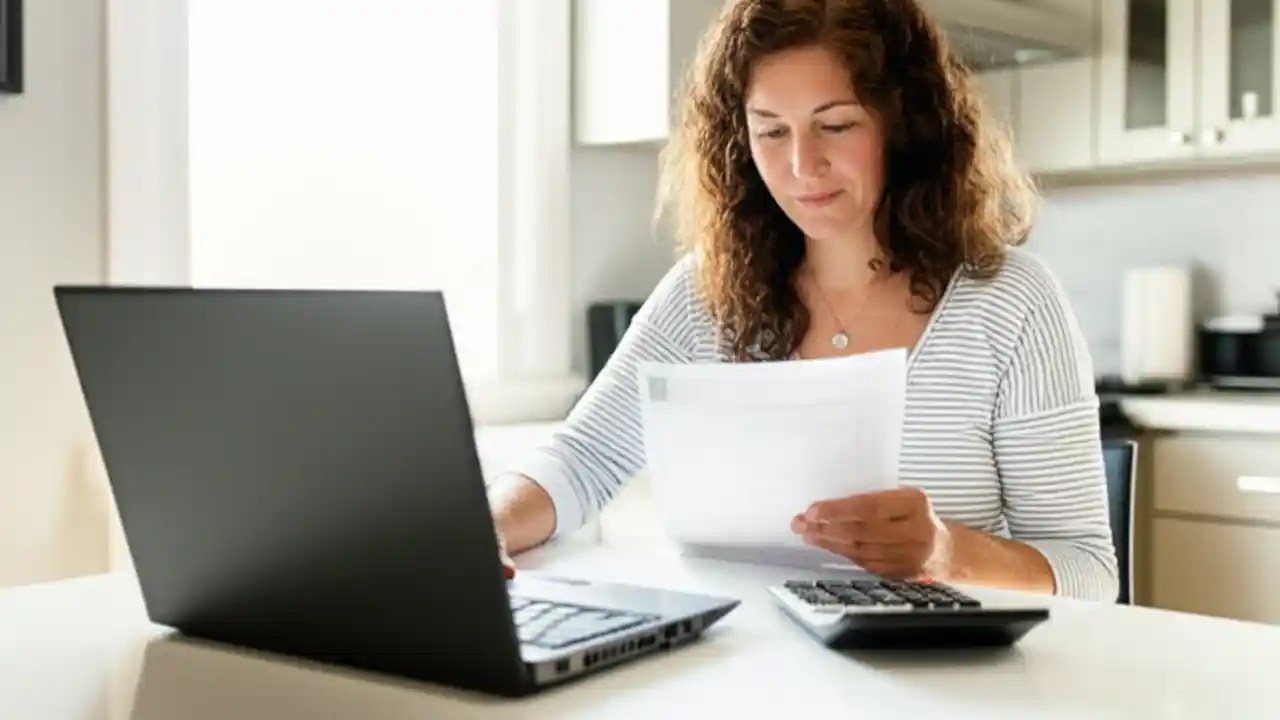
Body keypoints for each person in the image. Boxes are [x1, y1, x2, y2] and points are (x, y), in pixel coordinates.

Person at [487, 0, 1118, 602]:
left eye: (835, 125)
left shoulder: (1010, 304)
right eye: (770, 132)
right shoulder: (702, 294)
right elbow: (581, 460)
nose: (801, 165)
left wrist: (947, 553)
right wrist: (485, 530)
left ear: (903, 124)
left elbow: (1088, 570)